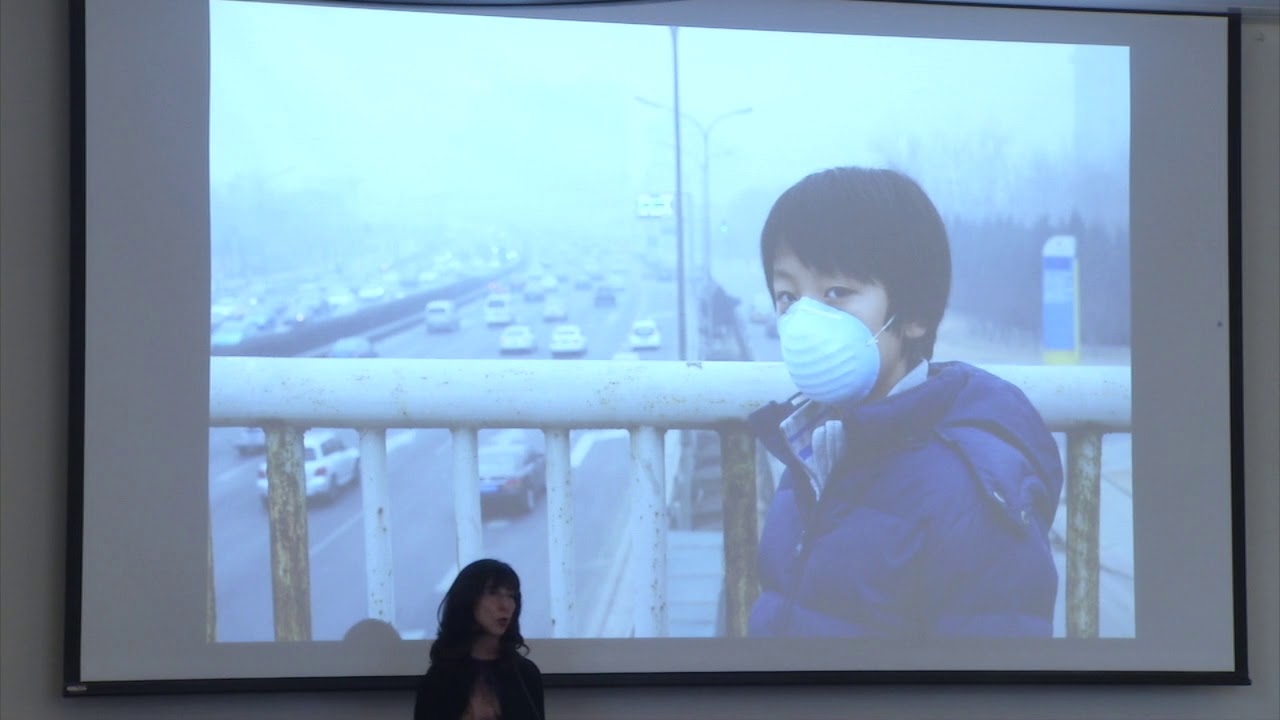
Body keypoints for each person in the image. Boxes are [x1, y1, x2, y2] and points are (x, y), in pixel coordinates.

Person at [746, 166, 1064, 637]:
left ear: (914, 315)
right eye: (788, 296)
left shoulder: (971, 496)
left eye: (836, 293)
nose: (804, 319)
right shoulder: (812, 452)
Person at [413, 559, 544, 720]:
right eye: (492, 593)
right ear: (467, 600)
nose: (505, 605)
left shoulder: (524, 674)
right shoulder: (439, 680)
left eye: (511, 596)